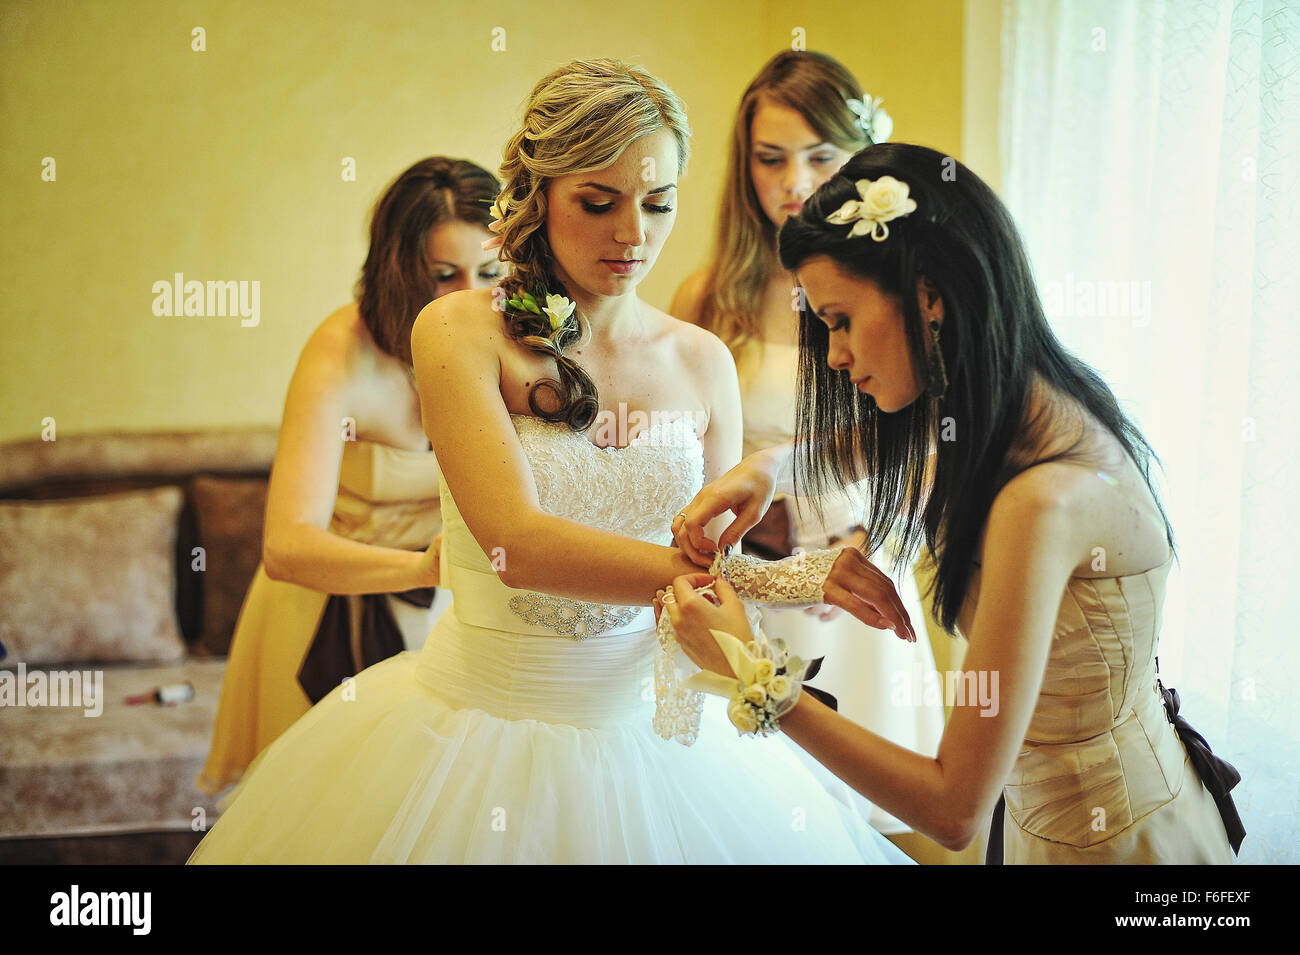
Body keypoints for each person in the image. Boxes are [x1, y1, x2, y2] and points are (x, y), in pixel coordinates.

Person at [186, 58, 916, 864]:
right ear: (538, 196)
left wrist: (806, 575)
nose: (633, 235)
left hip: (661, 747)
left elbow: (705, 568)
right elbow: (517, 546)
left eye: (658, 202)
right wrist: (737, 576)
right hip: (478, 735)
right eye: (598, 203)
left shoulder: (703, 360)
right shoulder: (459, 332)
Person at [664, 142, 1242, 864]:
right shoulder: (1012, 408)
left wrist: (751, 668)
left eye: (840, 320)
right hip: (1044, 826)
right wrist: (770, 464)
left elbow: (951, 808)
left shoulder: (1043, 501)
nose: (835, 355)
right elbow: (882, 443)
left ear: (928, 296)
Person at [669, 50, 944, 839]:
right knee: (741, 809)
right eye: (771, 158)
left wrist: (863, 532)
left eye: (820, 155)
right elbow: (683, 454)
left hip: (860, 552)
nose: (794, 180)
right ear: (742, 164)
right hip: (750, 564)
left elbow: (920, 437)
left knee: (855, 804)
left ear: (861, 158)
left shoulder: (894, 288)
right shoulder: (708, 293)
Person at [195, 157, 501, 796]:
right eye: (444, 276)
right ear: (399, 269)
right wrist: (421, 570)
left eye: (490, 272)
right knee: (322, 814)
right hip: (324, 607)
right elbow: (285, 545)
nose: (470, 295)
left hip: (453, 615)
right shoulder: (340, 352)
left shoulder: (509, 339)